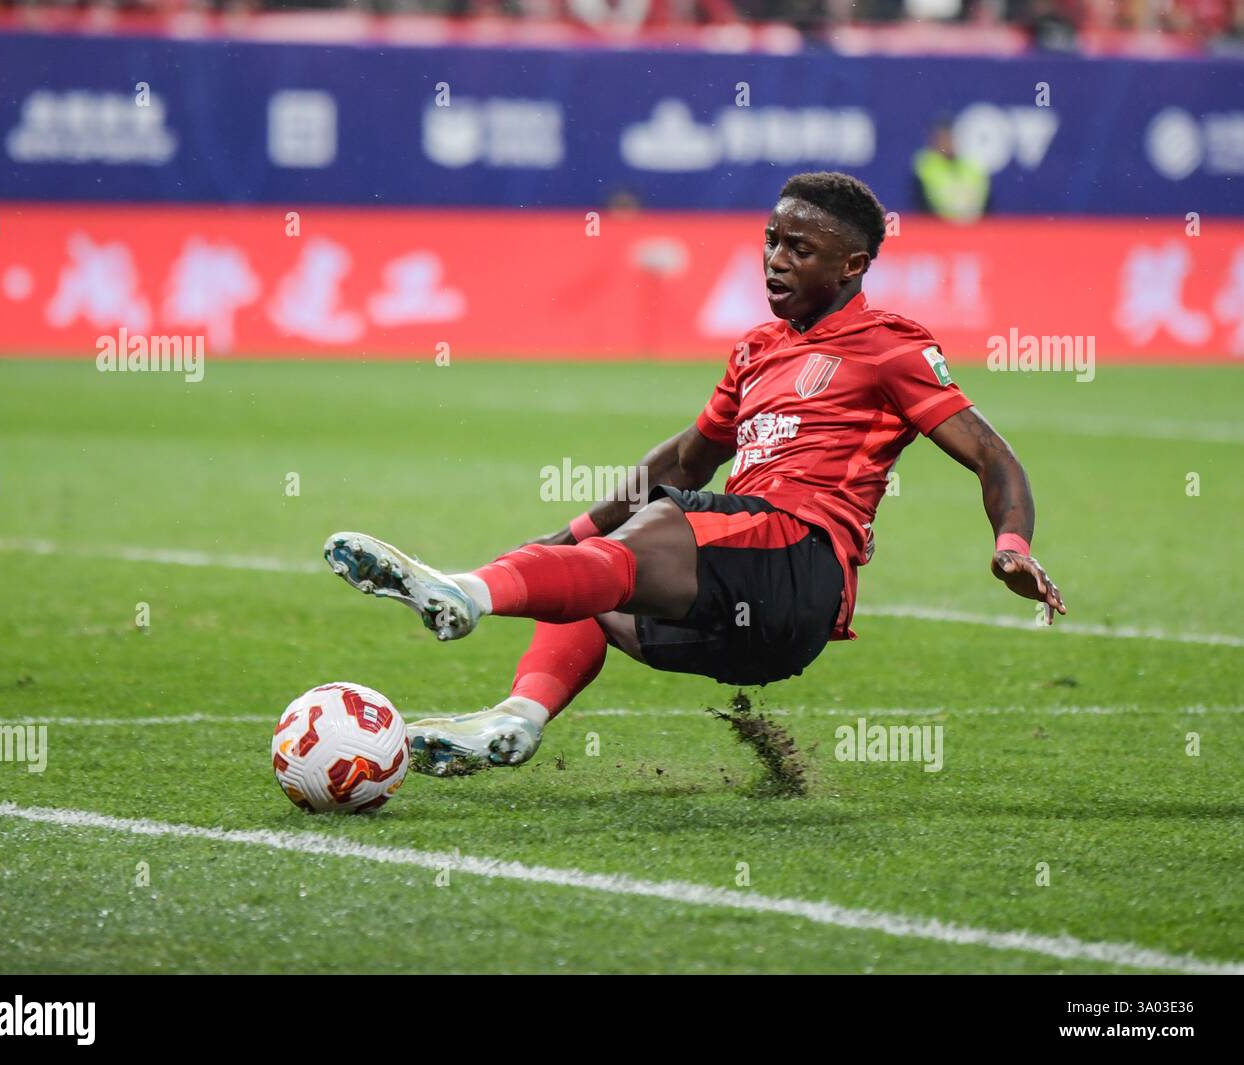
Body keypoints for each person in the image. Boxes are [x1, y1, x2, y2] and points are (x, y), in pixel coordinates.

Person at [324, 171, 1065, 772]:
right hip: (753, 620)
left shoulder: (889, 346)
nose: (776, 259)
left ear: (852, 265)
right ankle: (514, 720)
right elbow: (685, 457)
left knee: (652, 529)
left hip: (800, 554)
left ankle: (463, 593)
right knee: (587, 587)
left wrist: (1014, 546)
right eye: (772, 241)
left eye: (801, 249)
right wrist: (570, 533)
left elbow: (993, 455)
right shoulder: (755, 350)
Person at [913, 116, 991, 223]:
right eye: (943, 138)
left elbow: (987, 205)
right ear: (934, 140)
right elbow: (920, 206)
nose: (947, 142)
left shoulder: (972, 166)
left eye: (950, 137)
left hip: (972, 230)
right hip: (936, 230)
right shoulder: (925, 166)